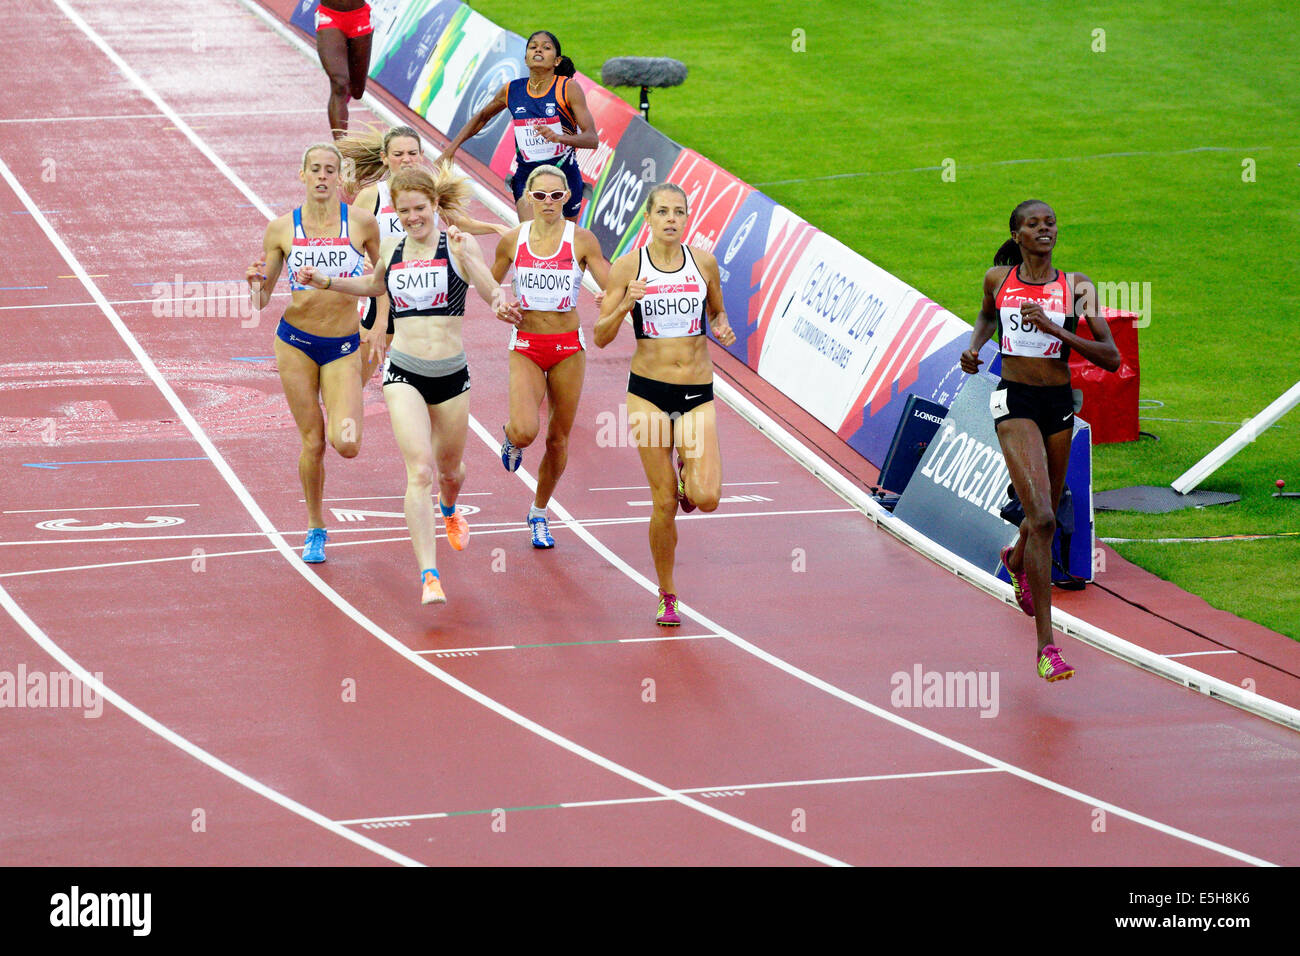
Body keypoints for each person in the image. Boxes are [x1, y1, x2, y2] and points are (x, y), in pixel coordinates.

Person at [298, 165, 523, 604]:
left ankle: (451, 508)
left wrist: (500, 303)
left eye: (420, 208)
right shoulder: (395, 246)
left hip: (452, 375)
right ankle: (429, 576)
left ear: (435, 206)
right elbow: (374, 284)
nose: (413, 217)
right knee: (419, 471)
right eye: (404, 211)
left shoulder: (457, 244)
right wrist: (327, 281)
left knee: (450, 472)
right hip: (404, 371)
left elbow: (486, 285)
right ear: (395, 211)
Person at [960, 199, 1120, 681]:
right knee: (1045, 517)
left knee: (1043, 508)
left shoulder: (1078, 288)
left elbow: (1111, 357)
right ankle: (1047, 648)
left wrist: (1054, 329)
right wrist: (974, 347)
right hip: (1015, 402)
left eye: (1051, 223)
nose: (1044, 230)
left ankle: (1014, 558)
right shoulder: (997, 280)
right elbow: (988, 317)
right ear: (1017, 235)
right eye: (1034, 225)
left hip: (1058, 406)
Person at [595, 183, 736, 625]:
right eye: (663, 212)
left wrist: (724, 326)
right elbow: (599, 336)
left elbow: (717, 313)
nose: (671, 219)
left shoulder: (704, 263)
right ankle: (667, 593)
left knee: (706, 498)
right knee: (663, 504)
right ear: (648, 218)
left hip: (696, 392)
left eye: (679, 211)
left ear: (687, 218)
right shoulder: (628, 267)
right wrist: (624, 306)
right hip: (649, 393)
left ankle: (686, 475)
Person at [246, 143, 382, 564]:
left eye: (330, 170)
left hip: (342, 346)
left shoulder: (362, 224)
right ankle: (315, 526)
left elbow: (383, 281)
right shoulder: (281, 229)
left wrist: (377, 325)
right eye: (315, 170)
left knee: (347, 444)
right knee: (313, 441)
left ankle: (339, 397)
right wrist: (255, 283)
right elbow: (261, 299)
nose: (322, 177)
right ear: (301, 175)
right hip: (296, 344)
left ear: (340, 178)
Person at [491, 164, 610, 548]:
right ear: (528, 197)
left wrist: (617, 295)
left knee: (558, 440)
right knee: (527, 430)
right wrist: (498, 304)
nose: (547, 202)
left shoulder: (582, 240)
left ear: (567, 198)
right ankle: (511, 437)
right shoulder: (512, 240)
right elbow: (488, 283)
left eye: (556, 195)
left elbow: (611, 281)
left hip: (567, 349)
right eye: (539, 195)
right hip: (527, 344)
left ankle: (539, 512)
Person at [338, 124, 510, 383]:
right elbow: (351, 238)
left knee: (426, 373)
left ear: (421, 156)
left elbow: (457, 222)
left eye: (412, 153)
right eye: (398, 154)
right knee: (359, 374)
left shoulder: (431, 190)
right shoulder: (372, 196)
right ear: (384, 158)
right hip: (386, 291)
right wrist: (358, 259)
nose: (406, 159)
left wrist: (494, 226)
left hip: (426, 291)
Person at [438, 30, 597, 222]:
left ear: (556, 61)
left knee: (566, 242)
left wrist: (560, 138)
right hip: (527, 175)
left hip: (564, 175)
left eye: (546, 48)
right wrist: (450, 150)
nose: (538, 50)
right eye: (533, 47)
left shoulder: (568, 88)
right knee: (531, 236)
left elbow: (592, 139)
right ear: (526, 58)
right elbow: (481, 117)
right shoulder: (512, 90)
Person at [314, 0, 373, 137]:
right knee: (339, 83)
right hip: (329, 16)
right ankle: (343, 148)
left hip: (360, 16)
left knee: (357, 91)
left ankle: (342, 98)